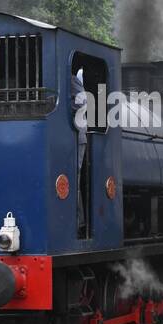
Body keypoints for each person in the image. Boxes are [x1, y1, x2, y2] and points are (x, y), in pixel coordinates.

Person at [70, 66, 89, 238]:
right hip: (63, 137)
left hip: (76, 137)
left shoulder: (72, 80)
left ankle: (78, 223)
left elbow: (82, 104)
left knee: (72, 180)